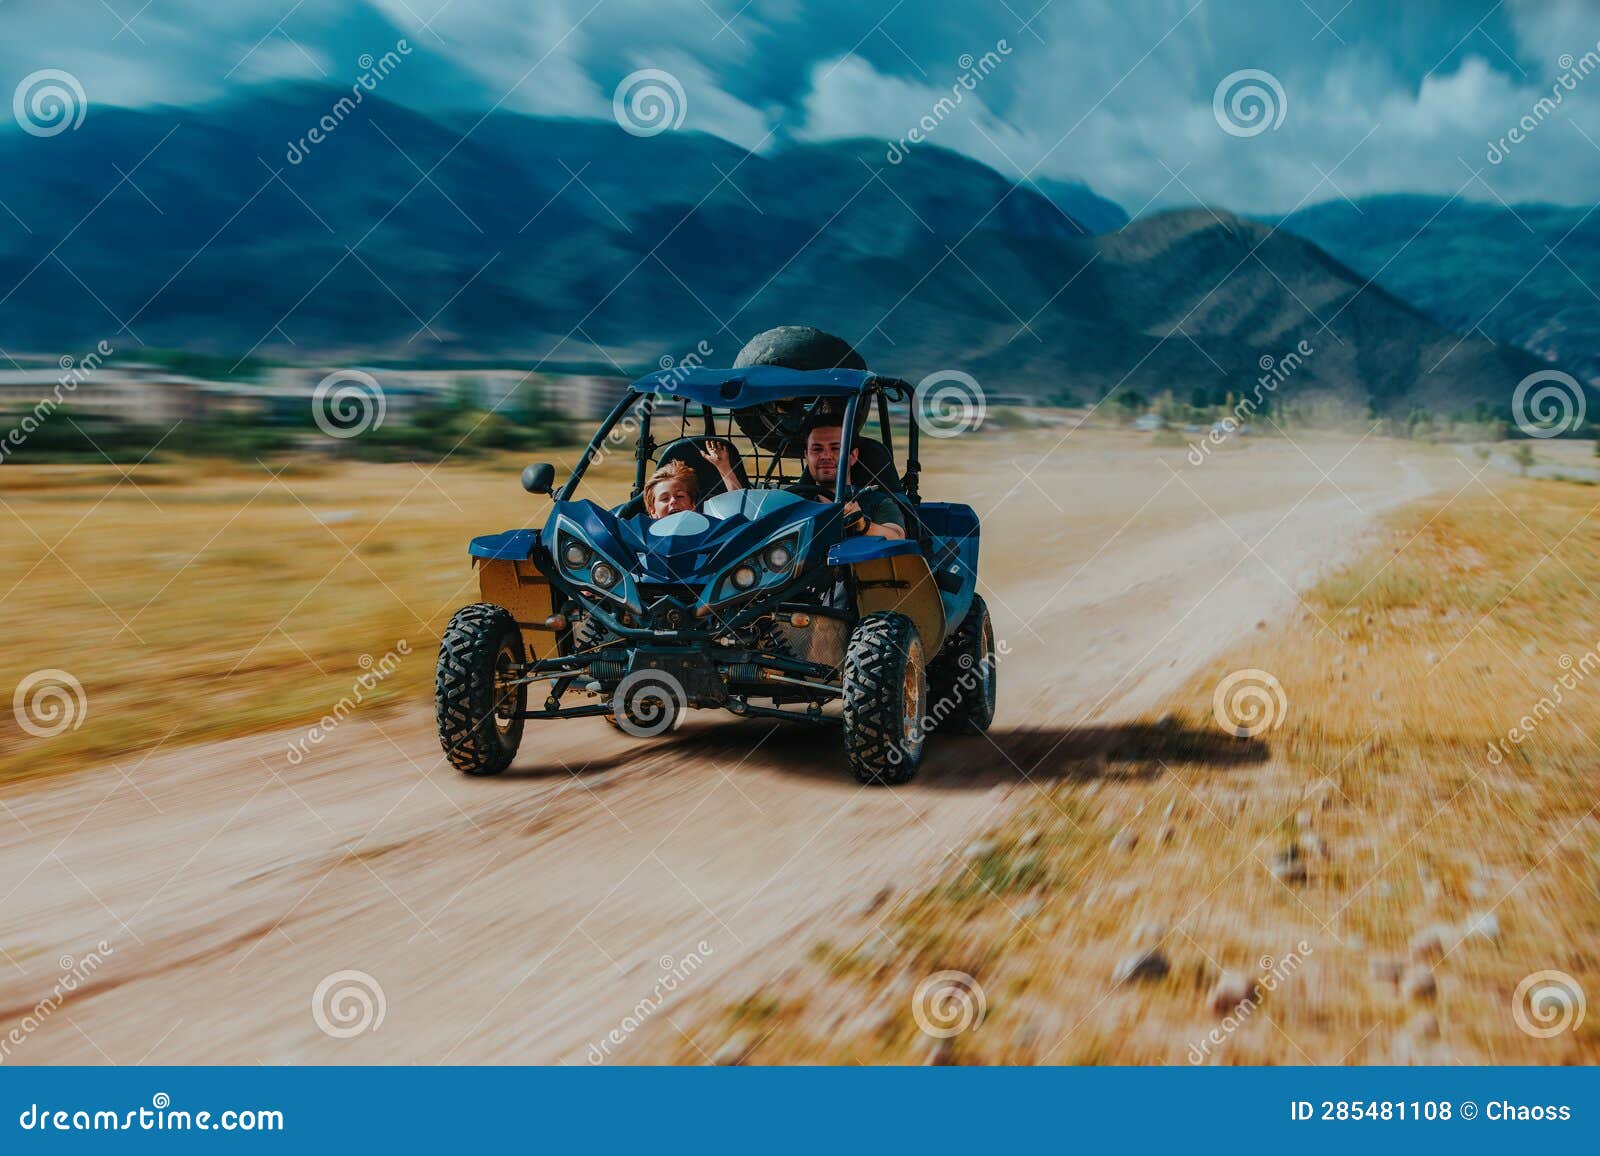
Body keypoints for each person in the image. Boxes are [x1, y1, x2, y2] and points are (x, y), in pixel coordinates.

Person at [793, 417, 905, 540]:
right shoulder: (794, 504)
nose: (825, 456)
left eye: (835, 448)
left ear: (853, 456)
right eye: (817, 449)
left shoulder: (877, 502)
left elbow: (897, 536)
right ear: (806, 456)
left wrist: (863, 525)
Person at [641, 440, 745, 518]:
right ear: (653, 511)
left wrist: (724, 468)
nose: (673, 501)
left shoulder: (710, 528)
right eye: (664, 499)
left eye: (680, 496)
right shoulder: (642, 535)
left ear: (692, 505)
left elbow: (739, 514)